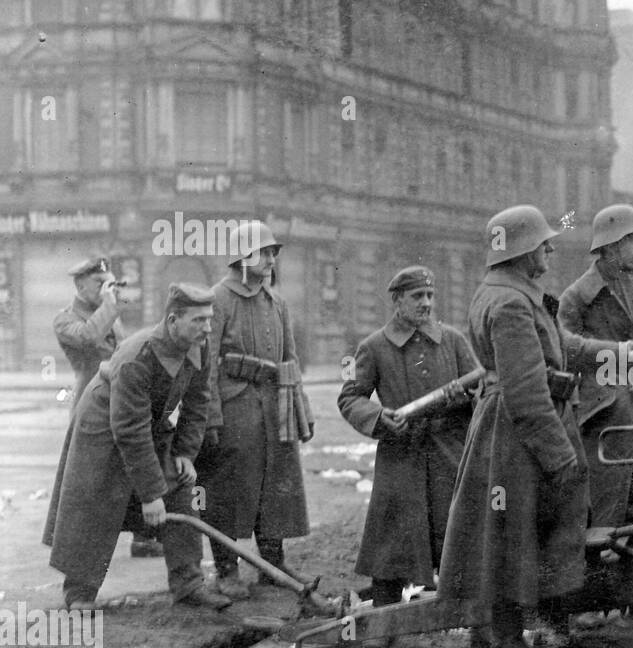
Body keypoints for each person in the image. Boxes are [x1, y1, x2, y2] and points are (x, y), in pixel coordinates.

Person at [437, 205, 633, 648]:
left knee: (514, 532)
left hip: (512, 431)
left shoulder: (513, 293)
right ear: (524, 250)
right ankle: (506, 645)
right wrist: (561, 456)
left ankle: (503, 630)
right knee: (512, 534)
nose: (551, 248)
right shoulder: (510, 303)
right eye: (544, 243)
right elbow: (526, 392)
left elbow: (560, 346)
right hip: (517, 435)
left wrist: (612, 352)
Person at [46, 283, 230, 610]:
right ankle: (79, 591)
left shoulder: (199, 344)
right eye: (199, 320)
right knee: (96, 500)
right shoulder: (138, 356)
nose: (208, 328)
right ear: (173, 320)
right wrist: (149, 494)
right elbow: (129, 429)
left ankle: (188, 584)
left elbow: (199, 400)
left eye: (209, 319)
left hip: (146, 424)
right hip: (102, 425)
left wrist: (185, 453)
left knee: (180, 489)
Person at [558, 204, 633, 621]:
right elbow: (561, 346)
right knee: (603, 509)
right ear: (608, 247)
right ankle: (589, 601)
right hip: (602, 415)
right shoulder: (578, 296)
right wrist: (608, 353)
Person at [338, 266, 479, 607]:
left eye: (430, 295)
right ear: (397, 301)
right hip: (402, 456)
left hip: (450, 453)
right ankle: (381, 631)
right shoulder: (373, 347)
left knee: (460, 539)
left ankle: (475, 624)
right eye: (418, 296)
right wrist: (379, 417)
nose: (426, 303)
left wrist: (467, 399)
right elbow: (350, 396)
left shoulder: (454, 340)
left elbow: (480, 389)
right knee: (392, 548)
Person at [196, 220, 313, 601]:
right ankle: (227, 571)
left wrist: (298, 407)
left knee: (275, 486)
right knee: (228, 490)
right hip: (234, 409)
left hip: (273, 407)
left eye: (273, 252)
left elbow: (290, 359)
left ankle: (273, 564)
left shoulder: (276, 302)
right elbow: (207, 365)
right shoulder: (218, 299)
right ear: (242, 256)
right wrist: (211, 417)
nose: (270, 259)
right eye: (264, 252)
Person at [42, 257, 164, 558]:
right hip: (90, 403)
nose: (107, 288)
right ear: (80, 285)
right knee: (89, 478)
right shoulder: (65, 318)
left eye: (110, 282)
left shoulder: (108, 314)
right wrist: (109, 305)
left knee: (135, 462)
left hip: (121, 400)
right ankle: (76, 546)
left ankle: (144, 537)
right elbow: (87, 339)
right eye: (100, 283)